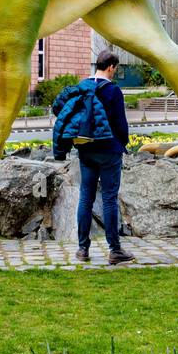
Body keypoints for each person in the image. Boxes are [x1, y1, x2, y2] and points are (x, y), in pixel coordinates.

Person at [53, 49, 135, 266]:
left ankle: (82, 249)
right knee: (109, 198)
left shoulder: (83, 87)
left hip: (86, 150)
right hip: (109, 151)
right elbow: (120, 124)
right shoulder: (113, 91)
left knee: (85, 197)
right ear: (110, 67)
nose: (115, 72)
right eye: (115, 68)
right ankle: (114, 250)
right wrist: (123, 143)